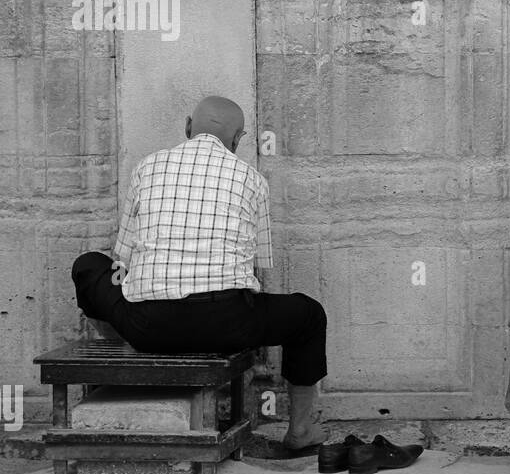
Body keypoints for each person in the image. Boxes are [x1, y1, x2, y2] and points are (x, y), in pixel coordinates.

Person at [70, 95, 328, 452]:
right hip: (226, 324)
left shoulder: (148, 167)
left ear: (188, 127)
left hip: (148, 327)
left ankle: (126, 356)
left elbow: (122, 258)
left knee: (89, 265)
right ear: (238, 140)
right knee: (308, 314)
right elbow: (256, 266)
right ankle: (301, 432)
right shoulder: (252, 180)